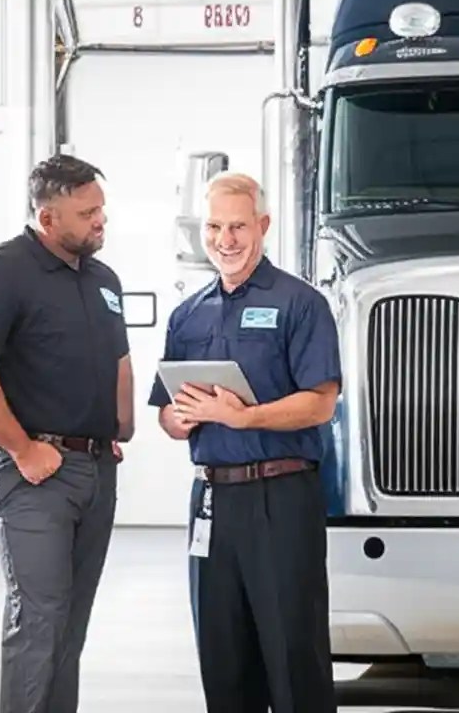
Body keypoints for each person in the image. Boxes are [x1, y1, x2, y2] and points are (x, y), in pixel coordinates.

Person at [0, 153, 134, 713]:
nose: (100, 221)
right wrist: (22, 449)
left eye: (101, 208)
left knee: (70, 625)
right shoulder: (2, 270)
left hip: (95, 468)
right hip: (34, 473)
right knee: (40, 617)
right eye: (86, 212)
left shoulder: (103, 278)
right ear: (48, 218)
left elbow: (118, 359)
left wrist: (115, 427)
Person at [148, 171, 340, 712]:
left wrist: (243, 417)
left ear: (263, 225)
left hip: (279, 498)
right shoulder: (189, 313)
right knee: (222, 650)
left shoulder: (300, 303)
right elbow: (165, 411)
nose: (224, 240)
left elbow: (319, 403)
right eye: (213, 226)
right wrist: (181, 420)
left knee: (291, 651)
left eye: (237, 226)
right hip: (211, 501)